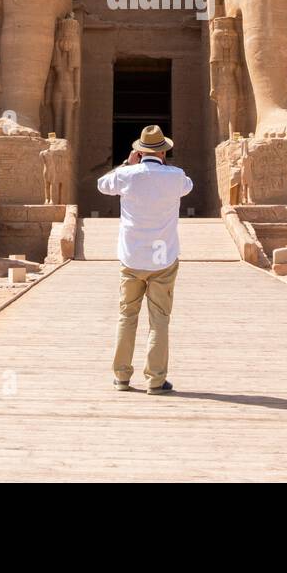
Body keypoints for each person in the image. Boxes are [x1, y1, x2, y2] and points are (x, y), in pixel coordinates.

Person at [97, 124, 192, 394]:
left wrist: (126, 165)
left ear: (139, 151)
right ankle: (156, 379)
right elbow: (188, 186)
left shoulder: (126, 175)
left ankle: (121, 377)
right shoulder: (176, 176)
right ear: (164, 152)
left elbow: (102, 185)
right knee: (159, 319)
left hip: (132, 257)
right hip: (163, 259)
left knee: (127, 316)